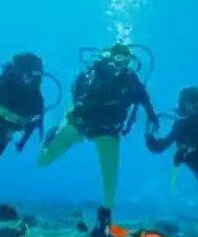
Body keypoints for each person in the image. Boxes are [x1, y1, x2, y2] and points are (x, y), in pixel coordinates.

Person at [38, 42, 158, 209]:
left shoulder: (130, 79)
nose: (122, 65)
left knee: (110, 175)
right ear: (109, 58)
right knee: (47, 156)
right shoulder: (97, 71)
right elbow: (80, 93)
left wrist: (152, 116)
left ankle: (106, 212)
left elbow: (143, 98)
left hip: (108, 128)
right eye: (118, 60)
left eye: (126, 61)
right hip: (82, 122)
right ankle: (50, 142)